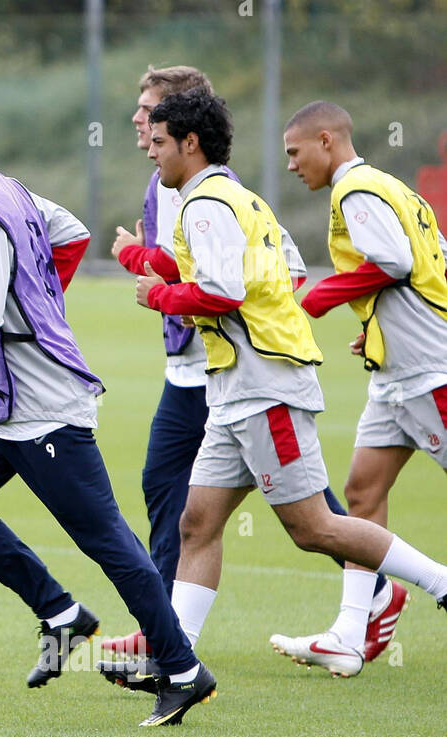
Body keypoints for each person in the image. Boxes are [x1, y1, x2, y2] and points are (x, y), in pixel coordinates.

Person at [0, 85, 213, 727]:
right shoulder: (9, 189)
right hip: (0, 407)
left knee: (108, 542)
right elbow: (72, 233)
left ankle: (184, 670)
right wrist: (39, 300)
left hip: (45, 409)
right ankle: (61, 614)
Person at [112, 89, 447, 689]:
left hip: (267, 387)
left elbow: (222, 292)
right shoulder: (237, 198)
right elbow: (283, 272)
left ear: (190, 144)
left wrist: (158, 294)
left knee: (313, 526)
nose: (151, 153)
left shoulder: (206, 203)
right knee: (198, 522)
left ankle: (439, 583)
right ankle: (178, 662)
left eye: (159, 142)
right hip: (237, 388)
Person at [269, 100, 447, 663]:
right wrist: (376, 329)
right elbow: (432, 262)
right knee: (363, 493)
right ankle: (350, 632)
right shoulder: (391, 187)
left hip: (427, 371)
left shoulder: (357, 190)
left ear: (327, 141)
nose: (292, 166)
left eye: (295, 153)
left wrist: (321, 296)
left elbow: (392, 261)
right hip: (394, 374)